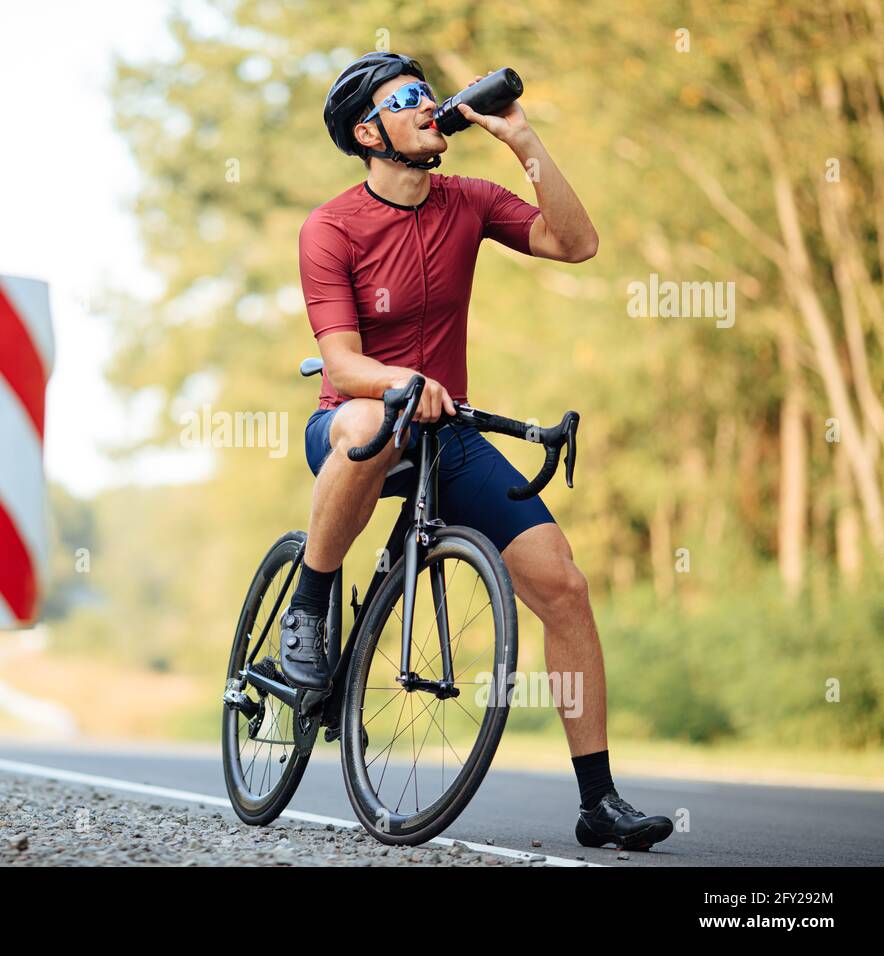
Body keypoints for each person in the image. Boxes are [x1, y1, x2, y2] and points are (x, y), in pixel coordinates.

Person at [281, 51, 672, 851]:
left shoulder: (468, 201)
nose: (432, 107)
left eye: (431, 95)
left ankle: (599, 801)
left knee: (563, 584)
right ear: (369, 131)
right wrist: (400, 379)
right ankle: (309, 608)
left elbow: (576, 243)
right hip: (358, 418)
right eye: (410, 99)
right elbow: (343, 358)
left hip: (447, 433)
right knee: (364, 424)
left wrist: (523, 141)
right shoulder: (331, 226)